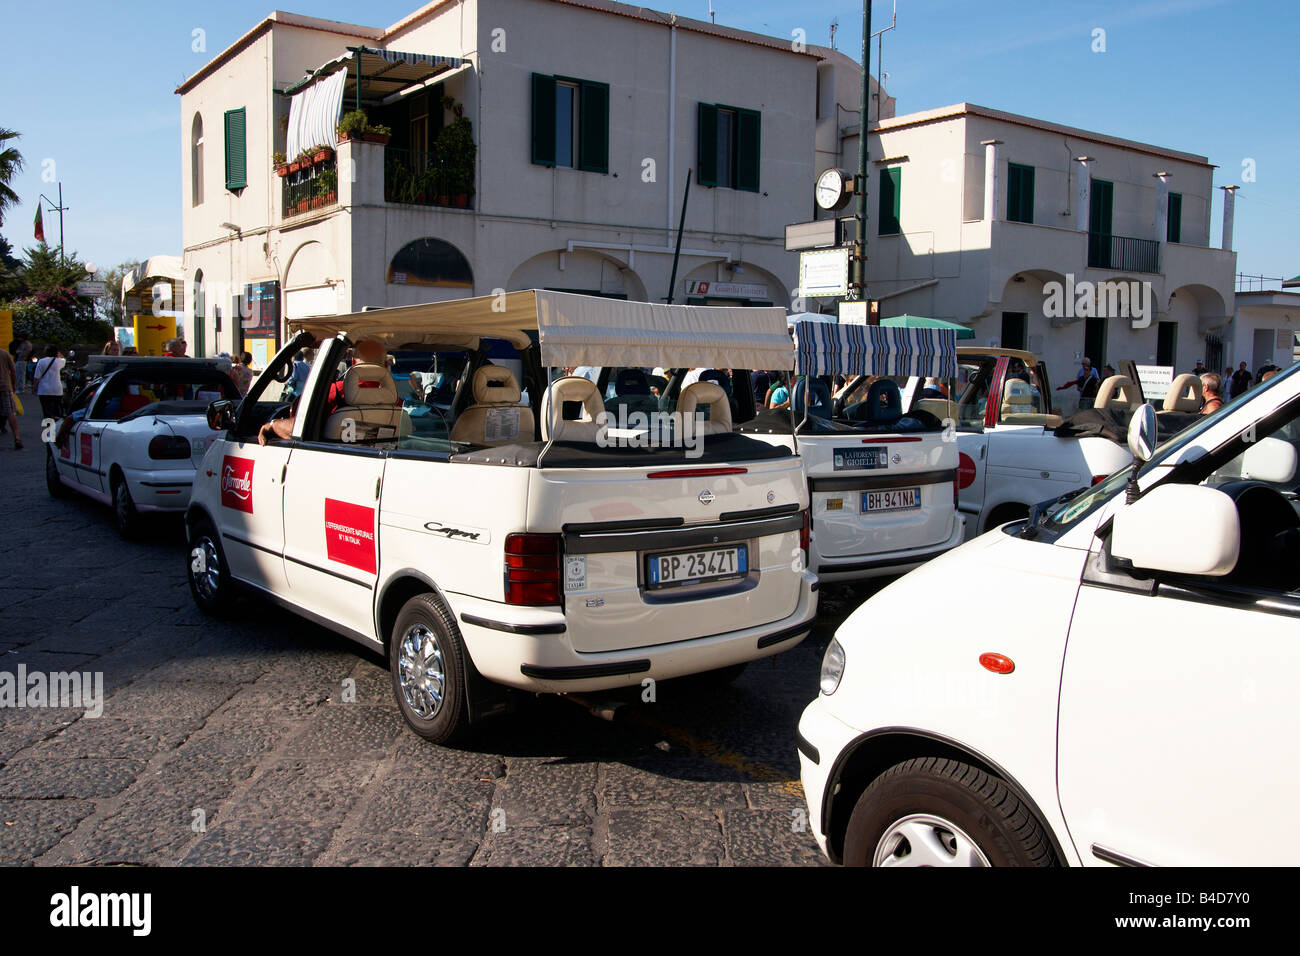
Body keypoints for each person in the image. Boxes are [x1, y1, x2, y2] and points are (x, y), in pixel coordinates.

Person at [259, 337, 389, 444]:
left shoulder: (337, 392)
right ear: (387, 365)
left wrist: (272, 425)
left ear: (353, 361)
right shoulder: (394, 402)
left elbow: (298, 428)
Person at [32, 345, 65, 420]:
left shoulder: (41, 361)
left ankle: (48, 425)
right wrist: (58, 353)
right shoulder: (60, 361)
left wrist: (34, 387)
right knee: (56, 410)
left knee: (46, 410)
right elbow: (63, 358)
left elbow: (37, 377)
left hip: (44, 390)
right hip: (57, 389)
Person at [0, 346, 21, 448]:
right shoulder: (4, 353)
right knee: (10, 412)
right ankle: (16, 437)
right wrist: (13, 385)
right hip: (5, 386)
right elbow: (13, 371)